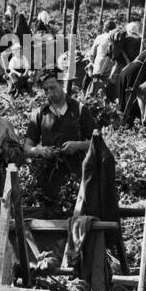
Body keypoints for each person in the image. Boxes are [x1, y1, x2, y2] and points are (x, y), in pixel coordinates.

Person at [24, 68, 95, 214]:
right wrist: (40, 150)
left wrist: (78, 145)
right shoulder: (39, 114)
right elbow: (27, 147)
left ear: (62, 84)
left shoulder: (80, 110)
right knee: (50, 212)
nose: (50, 93)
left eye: (53, 88)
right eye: (46, 90)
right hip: (48, 177)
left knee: (78, 212)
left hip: (76, 174)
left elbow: (97, 143)